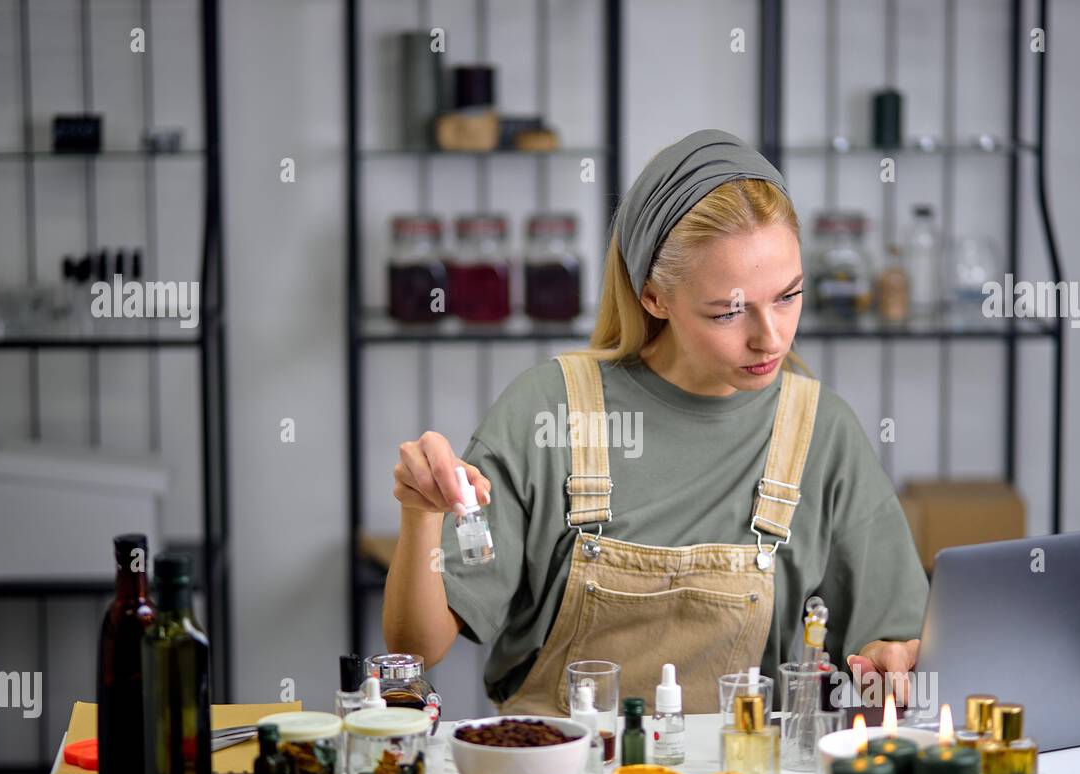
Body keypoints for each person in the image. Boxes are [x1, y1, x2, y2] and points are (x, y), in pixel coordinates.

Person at [384, 128, 928, 716]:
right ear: (653, 297)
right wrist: (421, 514)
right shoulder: (552, 412)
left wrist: (885, 663)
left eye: (789, 297)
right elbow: (416, 648)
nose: (769, 338)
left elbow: (890, 648)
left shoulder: (819, 432)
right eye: (728, 311)